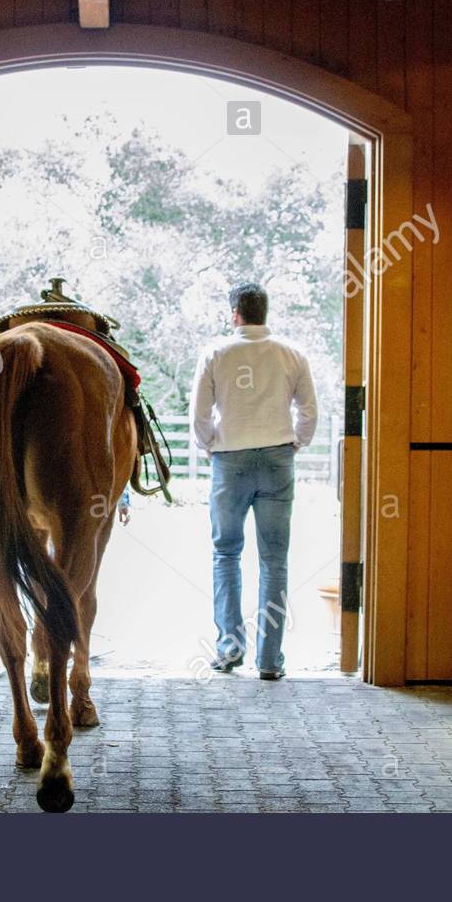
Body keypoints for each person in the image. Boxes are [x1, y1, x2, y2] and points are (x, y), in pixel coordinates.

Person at [188, 282, 318, 681]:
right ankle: (269, 660)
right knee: (274, 561)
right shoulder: (291, 354)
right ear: (265, 312)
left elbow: (199, 414)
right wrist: (296, 443)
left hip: (230, 460)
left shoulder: (215, 353)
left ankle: (229, 648)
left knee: (226, 553)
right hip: (277, 458)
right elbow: (309, 411)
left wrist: (212, 447)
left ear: (234, 314)